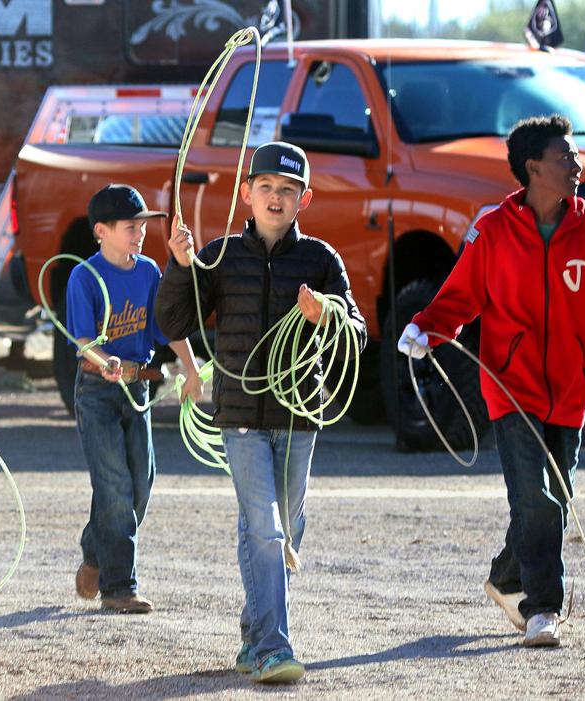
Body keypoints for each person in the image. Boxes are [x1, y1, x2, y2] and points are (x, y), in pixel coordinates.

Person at [397, 115, 585, 648]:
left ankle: (507, 575)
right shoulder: (492, 228)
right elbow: (460, 297)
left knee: (556, 496)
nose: (577, 165)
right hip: (510, 387)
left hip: (571, 389)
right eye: (566, 157)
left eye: (575, 157)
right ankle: (543, 609)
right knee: (534, 497)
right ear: (534, 167)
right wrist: (424, 329)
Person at [156, 142, 367, 683]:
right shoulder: (222, 255)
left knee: (283, 529)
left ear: (305, 199)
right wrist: (181, 266)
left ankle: (253, 633)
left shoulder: (321, 260)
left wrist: (327, 313)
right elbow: (175, 319)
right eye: (267, 187)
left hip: (299, 417)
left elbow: (358, 334)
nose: (277, 198)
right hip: (241, 417)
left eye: (289, 190)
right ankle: (274, 648)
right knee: (267, 530)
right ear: (246, 193)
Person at [68, 184, 202, 614]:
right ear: (101, 232)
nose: (140, 233)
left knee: (139, 485)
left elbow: (168, 328)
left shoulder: (148, 273)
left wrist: (192, 369)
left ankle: (94, 552)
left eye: (143, 225)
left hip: (137, 389)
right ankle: (119, 587)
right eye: (131, 226)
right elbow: (83, 341)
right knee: (114, 486)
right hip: (97, 391)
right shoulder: (84, 277)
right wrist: (104, 360)